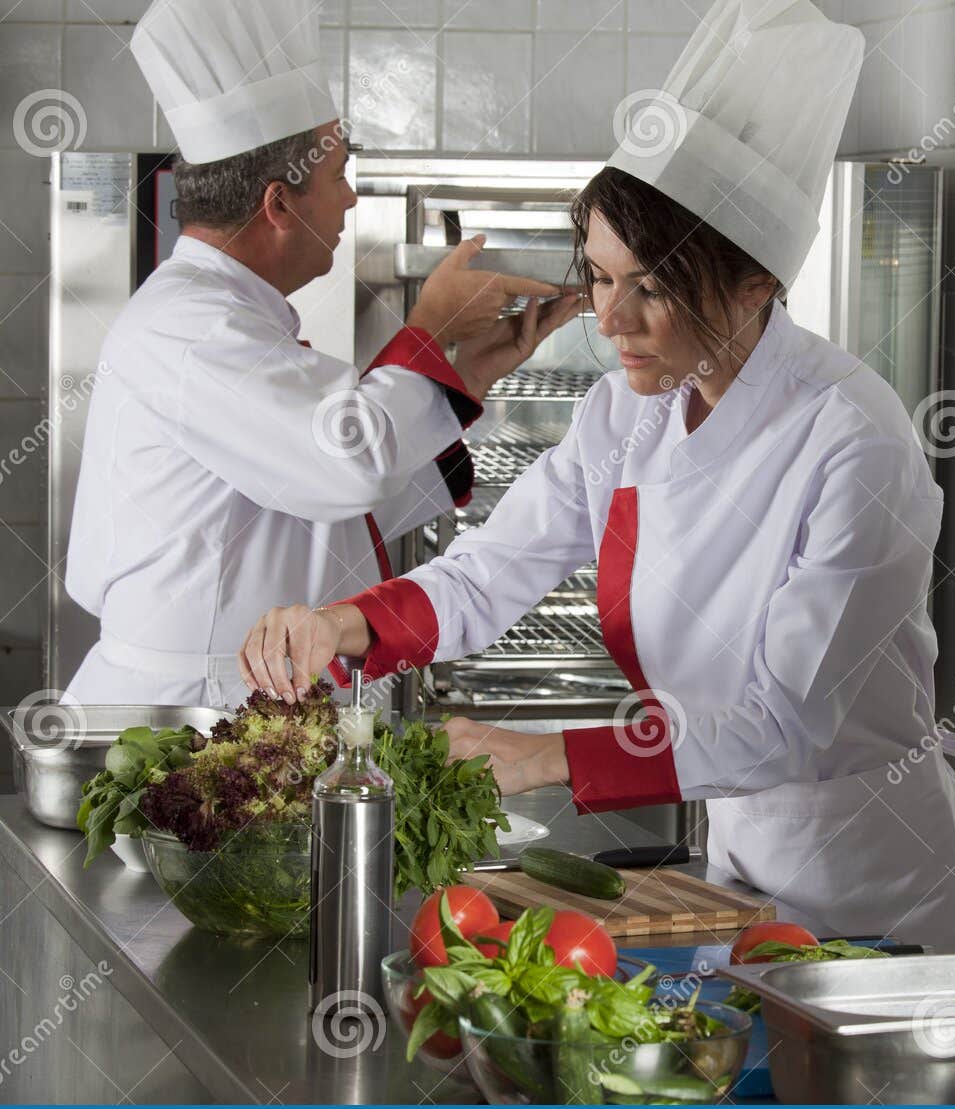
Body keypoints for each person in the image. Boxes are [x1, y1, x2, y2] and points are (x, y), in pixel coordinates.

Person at [239, 0, 955, 954]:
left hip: (886, 893)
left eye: (652, 287)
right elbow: (489, 570)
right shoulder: (625, 413)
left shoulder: (854, 437)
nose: (610, 320)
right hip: (742, 877)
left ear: (756, 283)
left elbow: (787, 725)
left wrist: (543, 757)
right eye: (602, 277)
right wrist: (341, 625)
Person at [65, 0, 580, 707]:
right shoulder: (191, 326)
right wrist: (431, 325)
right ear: (279, 205)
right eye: (339, 175)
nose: (352, 199)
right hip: (185, 716)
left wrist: (469, 370)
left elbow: (310, 514)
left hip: (232, 699)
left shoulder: (229, 316)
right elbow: (347, 468)